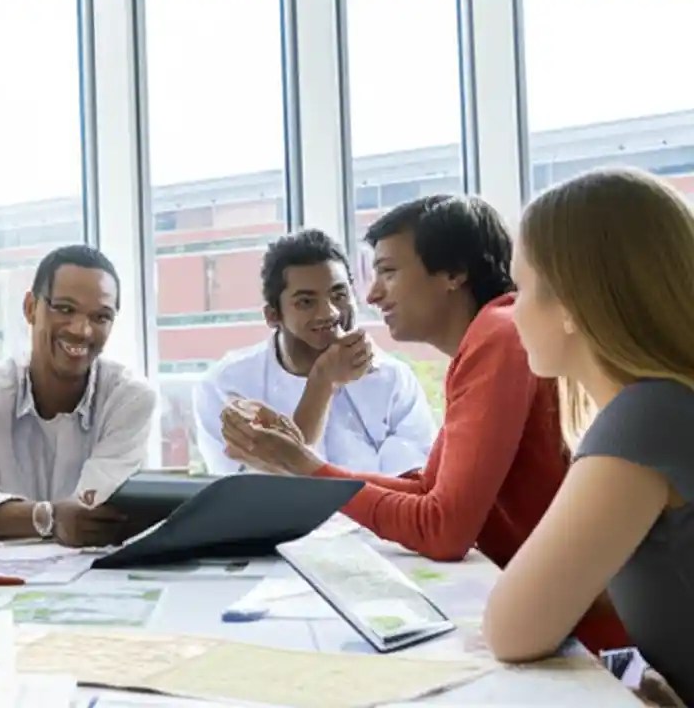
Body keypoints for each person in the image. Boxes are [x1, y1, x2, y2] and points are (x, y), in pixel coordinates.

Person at [220, 194, 628, 654]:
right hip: (554, 626)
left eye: (389, 271)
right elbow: (427, 491)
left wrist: (309, 469)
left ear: (453, 273)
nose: (372, 295)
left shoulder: (497, 336)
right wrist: (305, 463)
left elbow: (442, 528)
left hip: (581, 645)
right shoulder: (484, 341)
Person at [483, 167, 693, 702]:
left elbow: (512, 630)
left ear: (572, 305)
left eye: (519, 286)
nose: (510, 310)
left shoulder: (646, 418)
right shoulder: (669, 406)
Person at [0, 245, 157, 547]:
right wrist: (50, 517)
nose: (82, 330)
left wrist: (21, 518)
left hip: (97, 579)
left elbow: (92, 516)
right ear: (30, 307)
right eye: (65, 309)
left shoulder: (130, 398)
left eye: (100, 317)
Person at [193, 229, 435, 476]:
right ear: (273, 315)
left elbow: (411, 483)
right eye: (306, 302)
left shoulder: (392, 378)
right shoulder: (226, 384)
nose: (329, 313)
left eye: (339, 295)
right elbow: (255, 493)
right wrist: (321, 383)